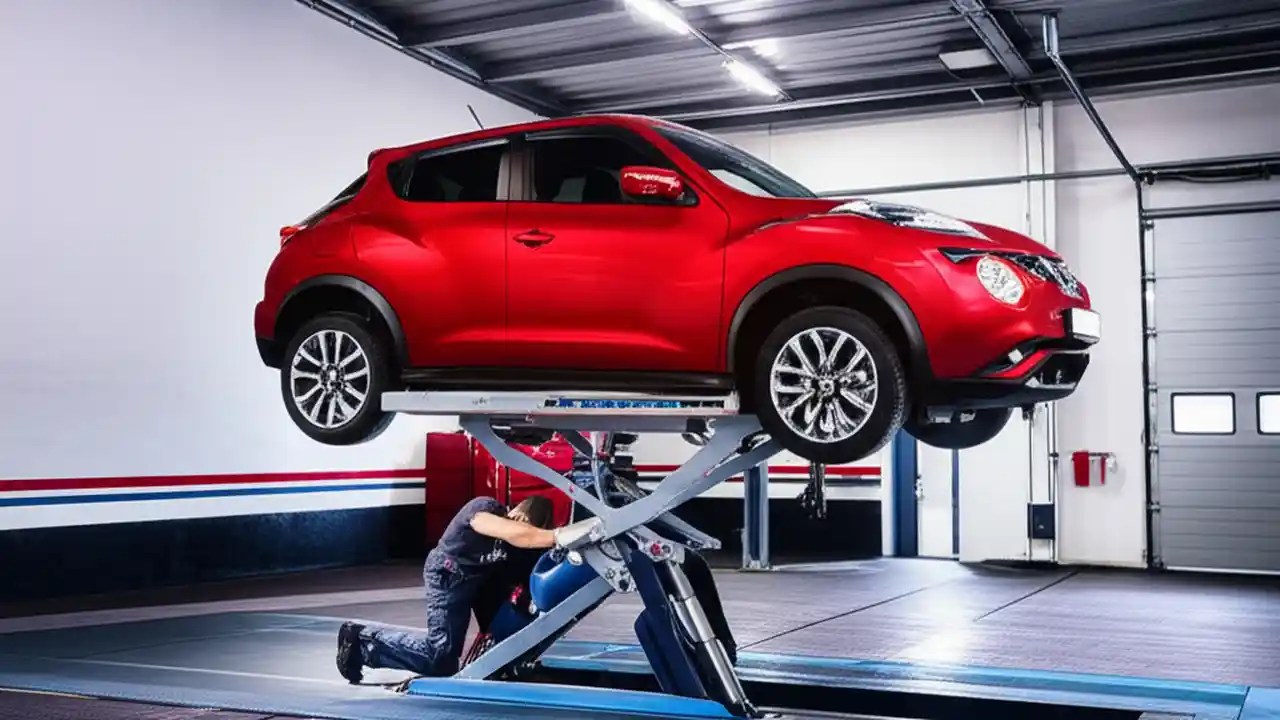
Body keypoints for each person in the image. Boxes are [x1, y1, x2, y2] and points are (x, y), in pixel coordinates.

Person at [335, 495, 558, 683]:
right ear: (516, 511)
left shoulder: (520, 552)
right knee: (440, 658)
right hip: (448, 574)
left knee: (502, 635)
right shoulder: (485, 508)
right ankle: (361, 641)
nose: (522, 526)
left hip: (480, 581)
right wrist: (556, 536)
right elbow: (515, 532)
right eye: (522, 521)